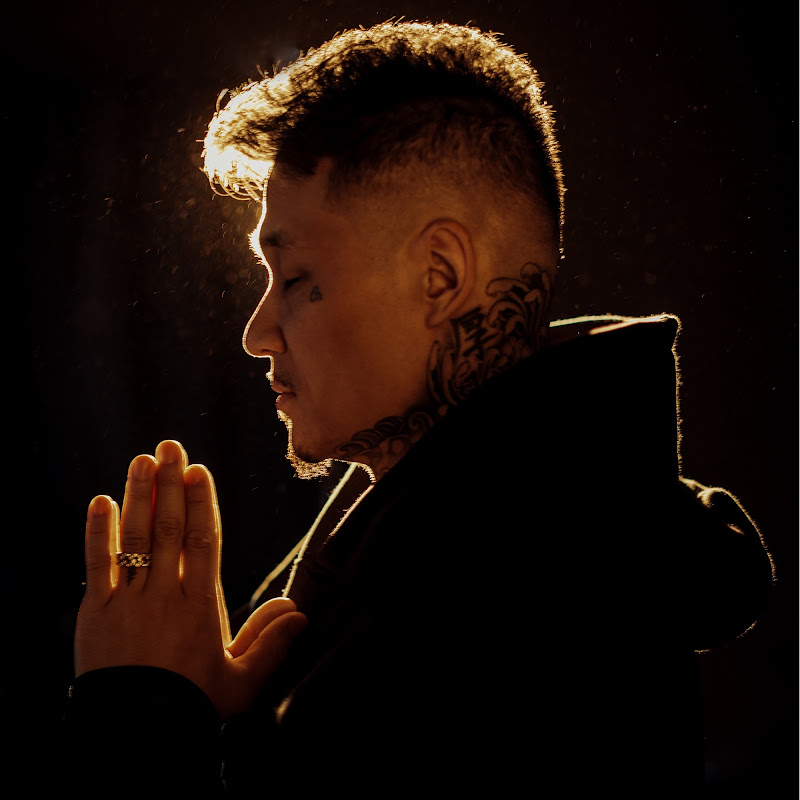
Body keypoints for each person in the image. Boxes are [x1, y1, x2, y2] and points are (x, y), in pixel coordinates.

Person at [65, 21, 774, 797]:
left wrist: (141, 714)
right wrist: (232, 721)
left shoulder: (495, 623)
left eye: (295, 277)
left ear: (440, 276)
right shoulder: (492, 551)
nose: (256, 334)